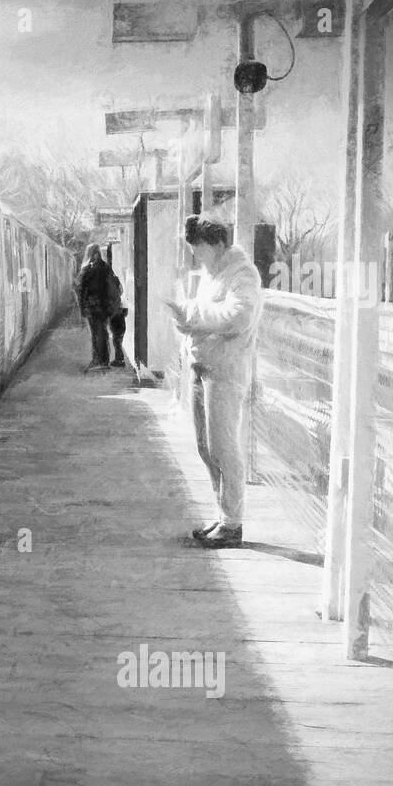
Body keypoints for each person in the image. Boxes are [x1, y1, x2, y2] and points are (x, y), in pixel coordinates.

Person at [166, 214, 263, 548]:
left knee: (224, 449)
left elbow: (239, 316)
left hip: (225, 372)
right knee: (206, 448)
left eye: (201, 249)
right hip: (203, 368)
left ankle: (232, 524)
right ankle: (222, 516)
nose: (197, 256)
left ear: (219, 244)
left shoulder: (242, 274)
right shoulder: (212, 273)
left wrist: (192, 316)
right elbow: (207, 313)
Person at [75, 243, 119, 372]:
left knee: (96, 334)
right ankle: (103, 360)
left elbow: (80, 289)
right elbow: (113, 285)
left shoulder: (87, 269)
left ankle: (97, 360)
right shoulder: (106, 267)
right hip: (104, 307)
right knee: (103, 332)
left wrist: (82, 308)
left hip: (93, 308)